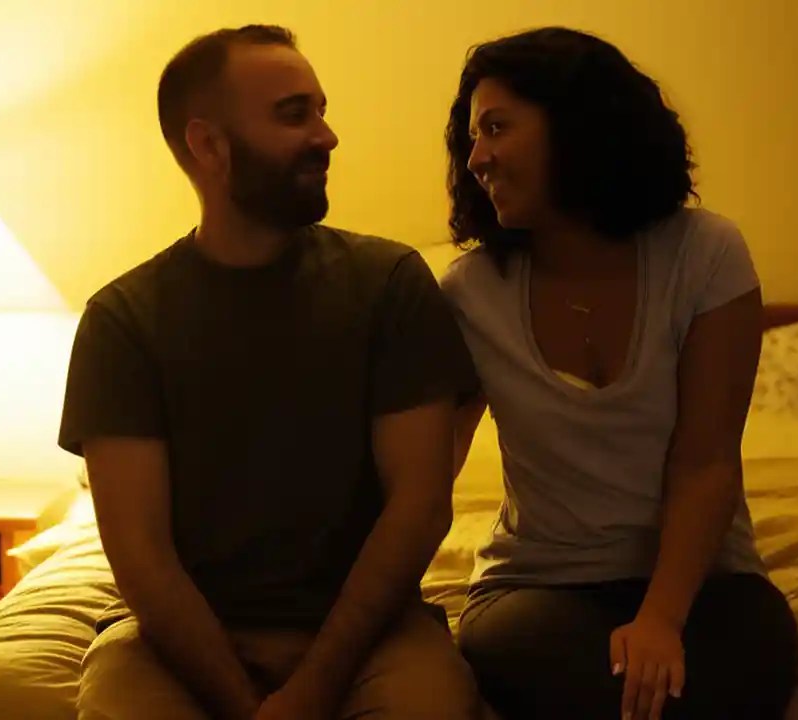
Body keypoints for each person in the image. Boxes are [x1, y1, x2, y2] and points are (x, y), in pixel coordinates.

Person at [58, 25, 481, 720]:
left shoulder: (390, 284)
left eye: (320, 108)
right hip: (179, 639)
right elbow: (140, 554)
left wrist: (312, 688)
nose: (327, 135)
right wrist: (241, 700)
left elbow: (420, 505)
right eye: (294, 115)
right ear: (208, 145)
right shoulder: (123, 320)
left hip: (371, 634)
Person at [441, 27, 798, 720]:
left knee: (734, 672)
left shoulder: (706, 254)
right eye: (471, 137)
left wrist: (661, 619)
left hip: (706, 581)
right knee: (584, 680)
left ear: (576, 125)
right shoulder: (469, 292)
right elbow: (432, 467)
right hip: (537, 588)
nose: (476, 157)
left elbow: (706, 463)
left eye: (495, 127)